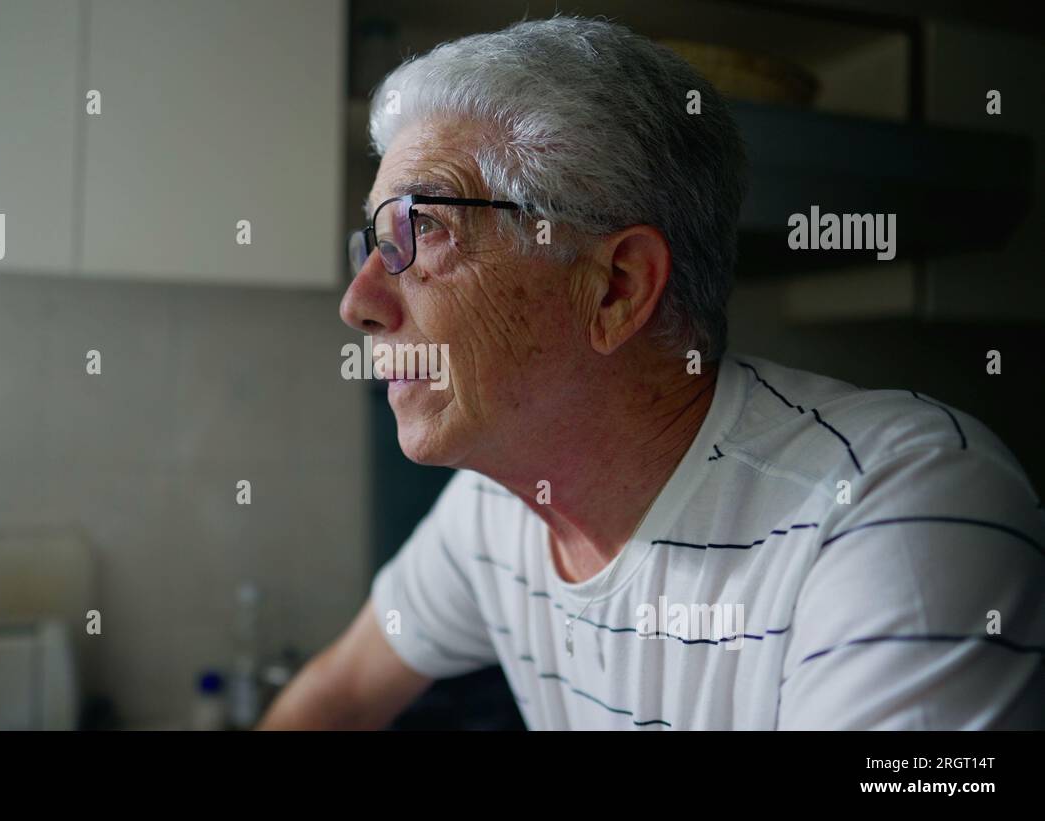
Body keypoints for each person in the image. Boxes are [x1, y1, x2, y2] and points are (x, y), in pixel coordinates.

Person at [260, 16, 1045, 730]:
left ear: (616, 288)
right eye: (371, 244)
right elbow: (337, 694)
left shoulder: (899, 507)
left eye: (419, 229)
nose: (359, 302)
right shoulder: (495, 513)